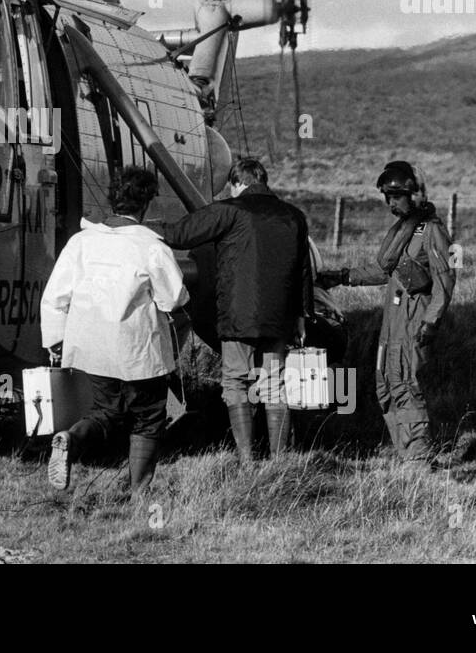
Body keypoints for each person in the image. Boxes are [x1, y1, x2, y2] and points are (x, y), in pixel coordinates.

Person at [41, 166, 189, 495]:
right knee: (148, 416)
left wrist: (54, 340)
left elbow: (54, 297)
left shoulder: (81, 242)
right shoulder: (151, 247)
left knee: (105, 410)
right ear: (147, 203)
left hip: (90, 346)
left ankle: (72, 437)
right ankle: (139, 491)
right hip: (138, 348)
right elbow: (174, 298)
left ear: (113, 200)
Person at [160, 157, 312, 462]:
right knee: (274, 385)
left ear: (237, 184)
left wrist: (144, 229)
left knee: (235, 383)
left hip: (238, 317)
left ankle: (246, 461)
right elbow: (303, 272)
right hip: (280, 318)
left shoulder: (229, 210)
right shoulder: (294, 216)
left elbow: (180, 235)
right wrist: (301, 315)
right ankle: (279, 460)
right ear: (264, 180)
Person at [318, 160, 455, 464]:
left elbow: (445, 283)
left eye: (396, 196)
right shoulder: (401, 231)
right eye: (388, 197)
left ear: (413, 194)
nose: (390, 203)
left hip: (413, 320)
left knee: (405, 384)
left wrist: (430, 323)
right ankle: (407, 453)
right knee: (387, 385)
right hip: (392, 322)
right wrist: (341, 277)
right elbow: (383, 270)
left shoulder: (432, 231)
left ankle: (418, 458)